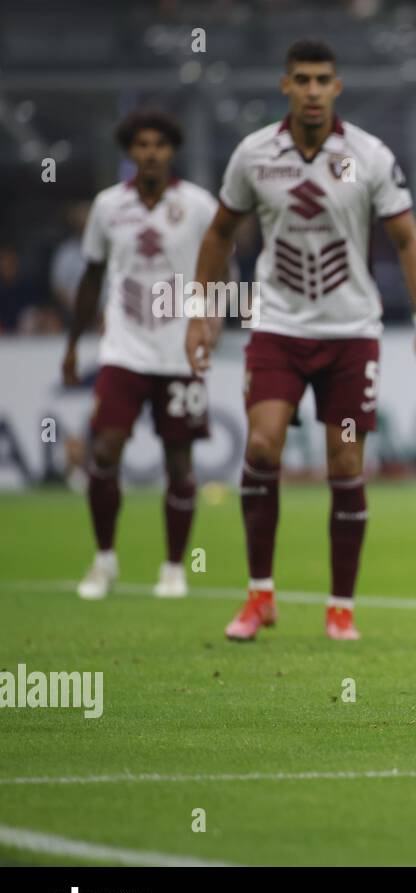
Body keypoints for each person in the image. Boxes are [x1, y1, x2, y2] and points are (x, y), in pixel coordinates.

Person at [185, 38, 416, 642]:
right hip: (277, 328)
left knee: (346, 461)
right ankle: (259, 597)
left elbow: (408, 241)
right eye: (300, 78)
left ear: (337, 87)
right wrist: (201, 311)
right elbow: (219, 233)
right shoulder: (255, 155)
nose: (310, 90)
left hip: (351, 335)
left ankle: (340, 607)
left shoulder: (368, 156)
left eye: (321, 79)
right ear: (285, 86)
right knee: (263, 447)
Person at [67, 109, 217, 600]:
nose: (151, 153)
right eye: (141, 145)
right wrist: (73, 344)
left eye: (159, 144)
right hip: (123, 348)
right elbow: (92, 276)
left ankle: (174, 568)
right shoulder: (108, 207)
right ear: (129, 152)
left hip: (179, 352)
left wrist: (213, 318)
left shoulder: (197, 205)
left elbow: (221, 266)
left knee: (180, 464)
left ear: (172, 151)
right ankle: (104, 560)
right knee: (105, 450)